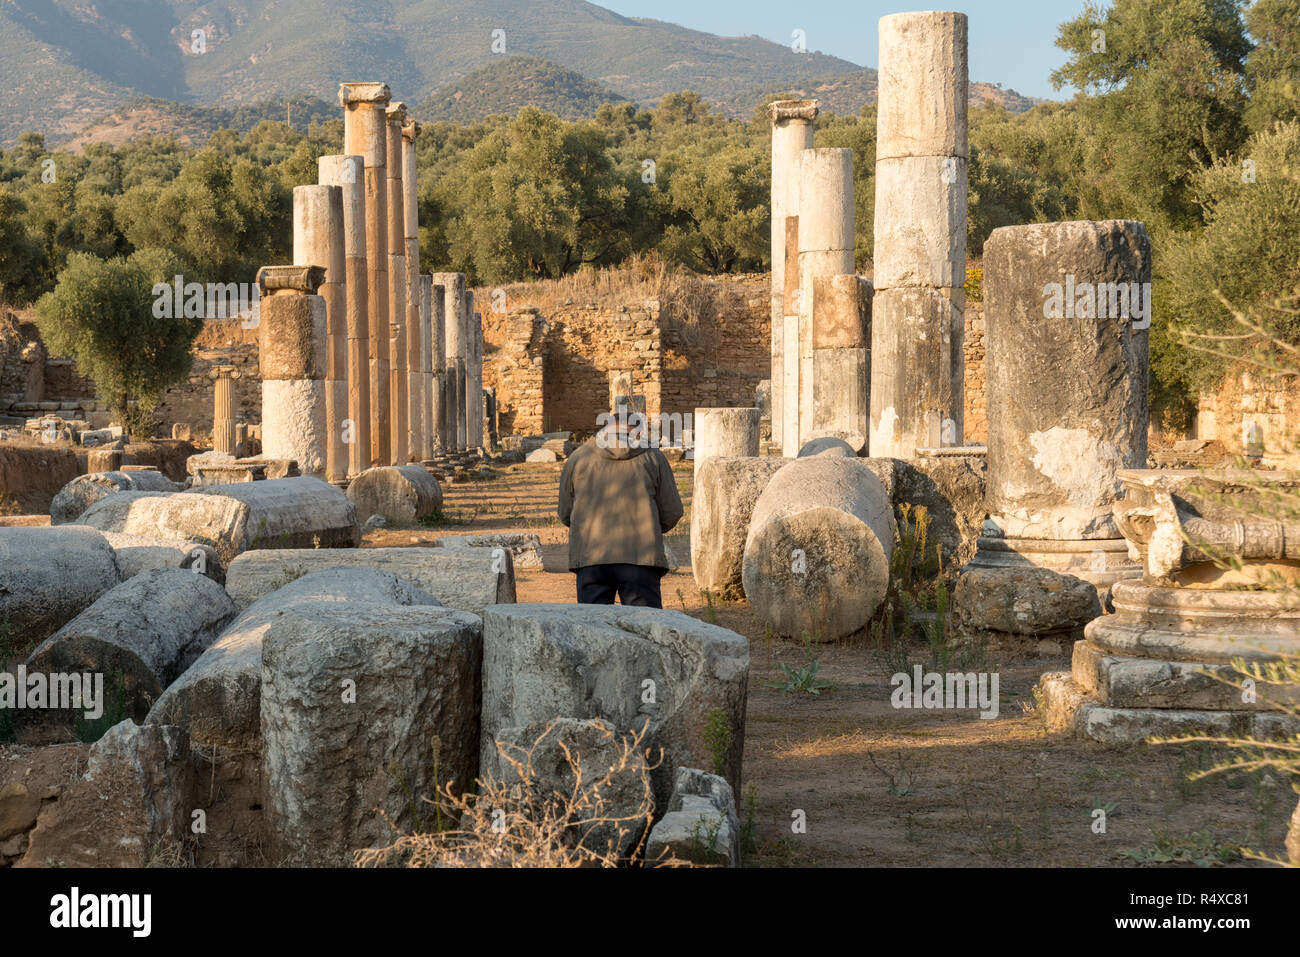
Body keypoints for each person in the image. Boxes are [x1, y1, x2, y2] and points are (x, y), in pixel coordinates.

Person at [557, 414, 683, 608]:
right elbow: (672, 511)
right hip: (641, 557)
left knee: (593, 628)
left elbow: (565, 513)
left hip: (591, 557)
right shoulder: (653, 457)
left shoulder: (578, 458)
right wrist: (650, 529)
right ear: (637, 431)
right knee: (645, 628)